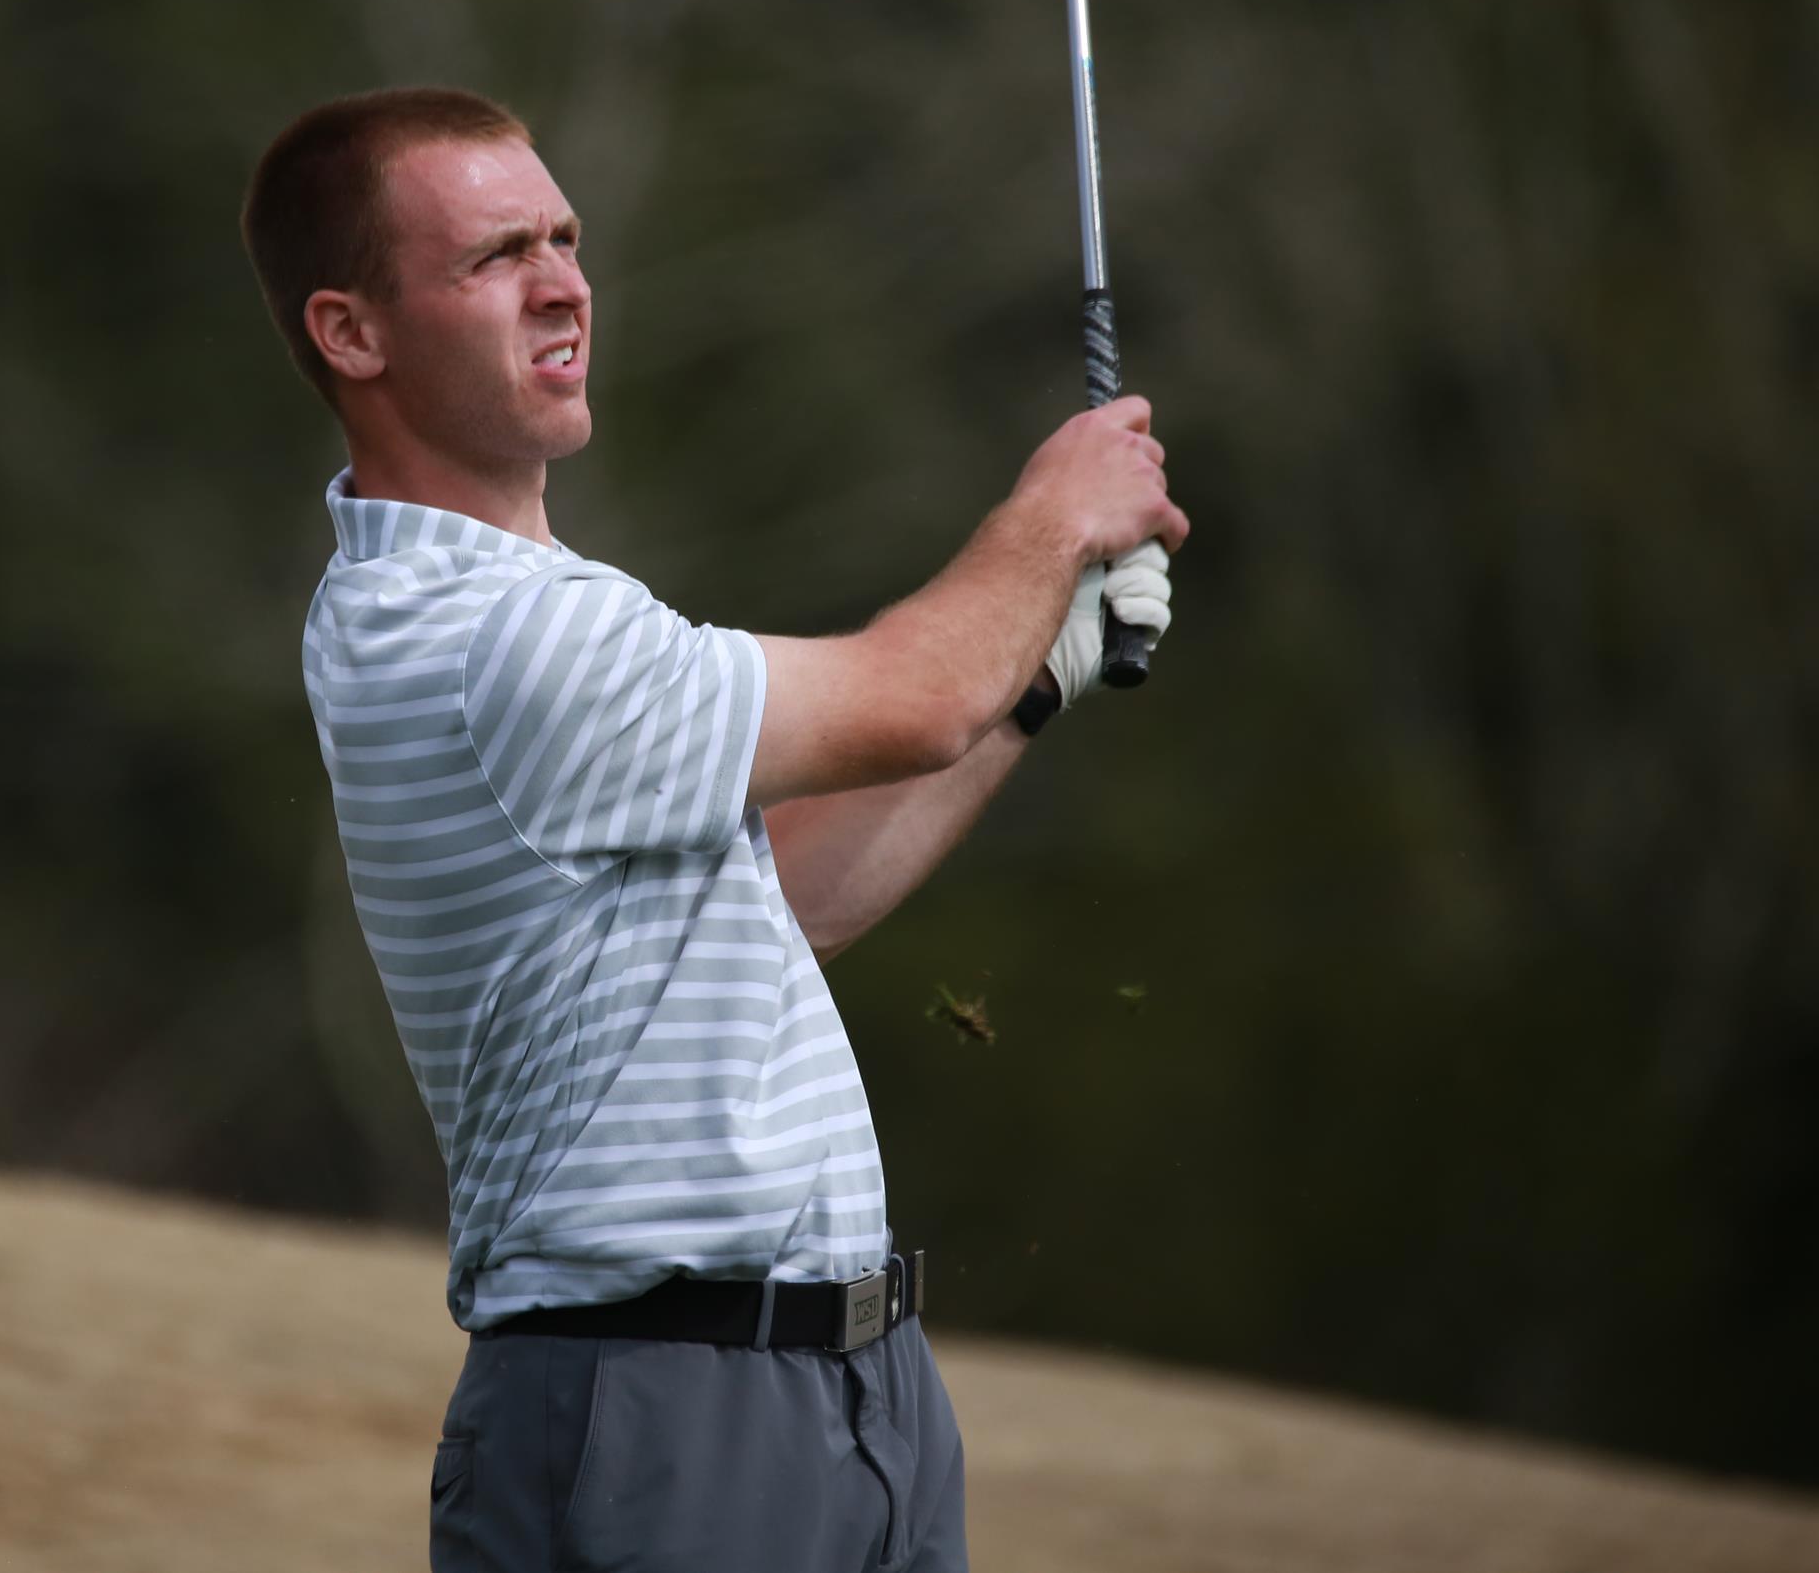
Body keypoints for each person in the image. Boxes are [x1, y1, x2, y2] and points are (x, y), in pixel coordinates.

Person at [241, 87, 1186, 1573]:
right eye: (496, 258)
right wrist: (1058, 512)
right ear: (352, 333)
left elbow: (790, 890)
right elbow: (914, 690)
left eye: (564, 237)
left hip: (849, 1394)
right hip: (656, 1413)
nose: (563, 284)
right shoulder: (482, 640)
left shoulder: (539, 610)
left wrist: (1040, 677)